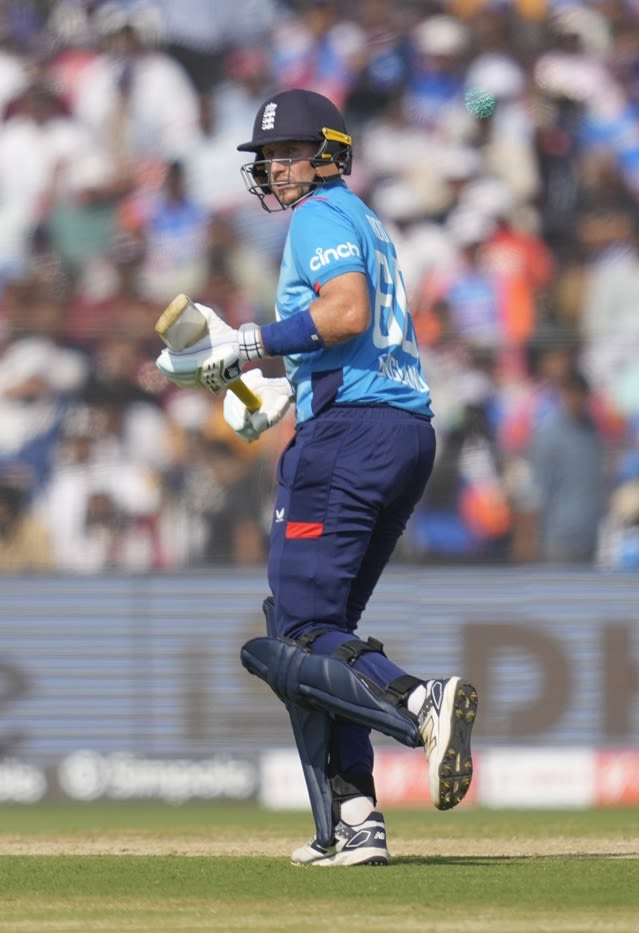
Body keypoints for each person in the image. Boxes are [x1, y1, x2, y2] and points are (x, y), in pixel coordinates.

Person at [154, 89, 477, 867]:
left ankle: (415, 702)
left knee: (293, 631)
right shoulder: (362, 217)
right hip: (398, 430)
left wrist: (251, 342)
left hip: (351, 435)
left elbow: (344, 314)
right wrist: (264, 384)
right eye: (267, 160)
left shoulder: (322, 214)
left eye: (286, 155)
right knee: (320, 636)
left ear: (328, 155)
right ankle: (355, 817)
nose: (273, 170)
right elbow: (337, 341)